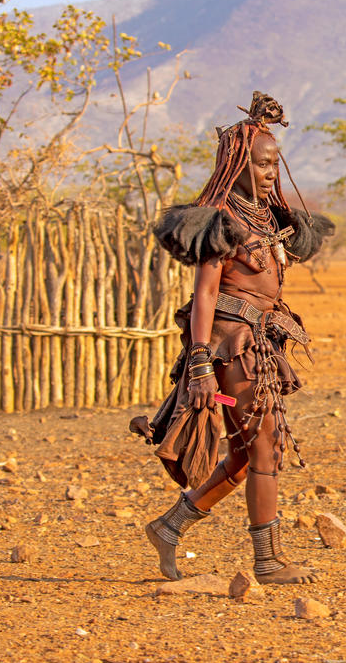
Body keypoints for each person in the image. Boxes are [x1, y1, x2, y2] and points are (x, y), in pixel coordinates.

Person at [130, 92, 334, 584]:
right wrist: (200, 362)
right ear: (239, 164)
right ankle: (267, 562)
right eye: (261, 165)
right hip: (230, 347)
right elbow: (204, 295)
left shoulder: (264, 219)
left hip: (260, 347)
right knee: (264, 451)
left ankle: (170, 525)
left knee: (247, 455)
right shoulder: (220, 221)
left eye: (274, 165)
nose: (270, 174)